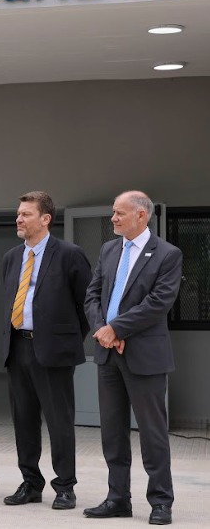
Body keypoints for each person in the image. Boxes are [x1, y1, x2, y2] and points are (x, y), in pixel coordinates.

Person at [83, 191, 181, 526]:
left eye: (119, 213)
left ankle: (160, 501)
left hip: (145, 356)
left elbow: (159, 302)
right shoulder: (110, 250)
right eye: (113, 212)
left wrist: (117, 330)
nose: (113, 218)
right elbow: (92, 294)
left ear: (141, 215)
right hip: (108, 354)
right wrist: (102, 330)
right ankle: (117, 498)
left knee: (152, 433)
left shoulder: (167, 254)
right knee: (112, 431)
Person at [0, 192, 91, 510]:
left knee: (59, 421)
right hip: (18, 348)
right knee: (23, 420)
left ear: (45, 218)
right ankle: (31, 483)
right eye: (18, 213)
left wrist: (67, 342)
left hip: (54, 352)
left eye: (26, 214)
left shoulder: (69, 254)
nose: (19, 219)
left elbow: (87, 306)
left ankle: (65, 486)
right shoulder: (12, 258)